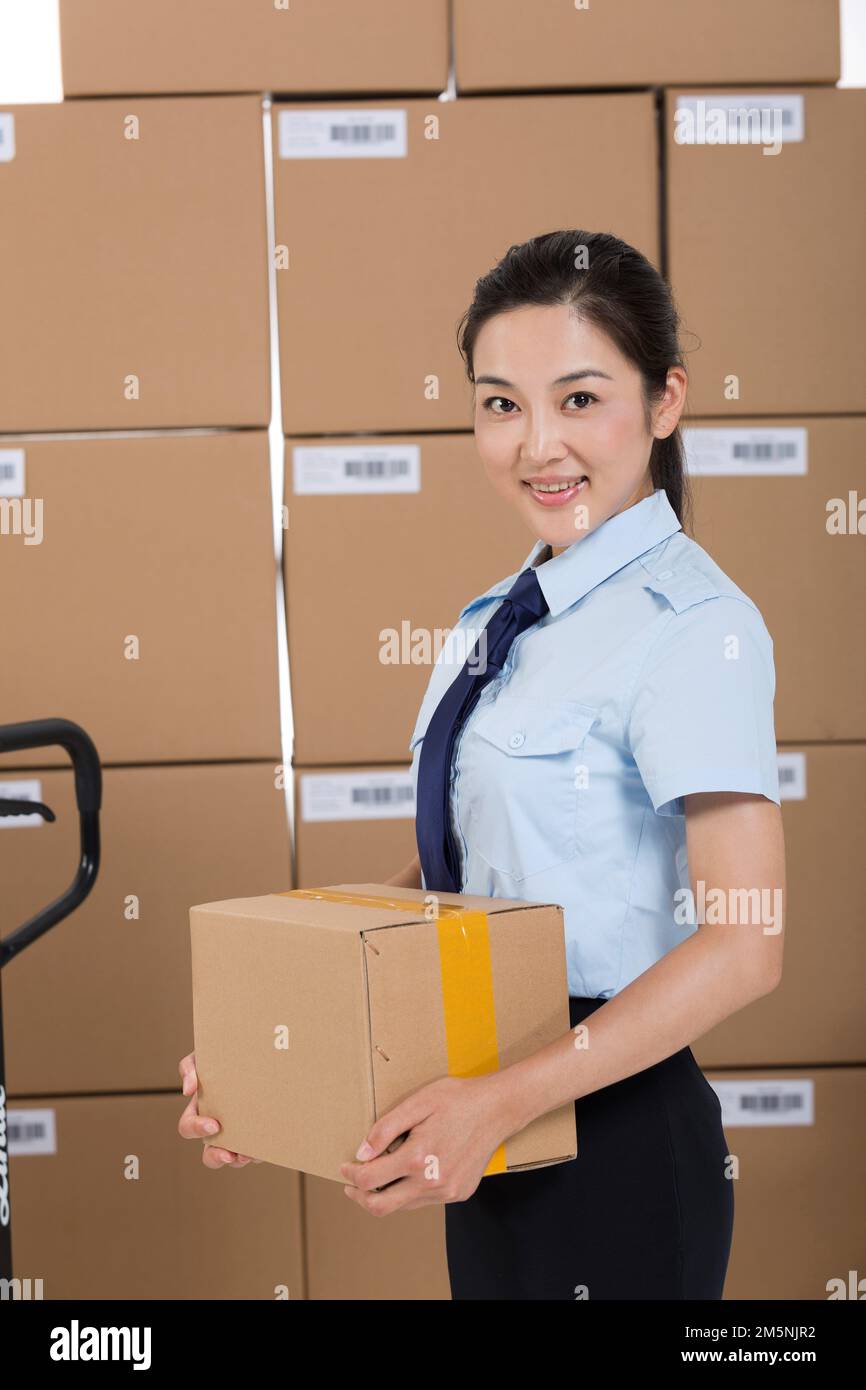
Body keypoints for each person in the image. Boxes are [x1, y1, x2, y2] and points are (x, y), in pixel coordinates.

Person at [178, 228, 786, 1301]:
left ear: (665, 402)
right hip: (495, 1126)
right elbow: (451, 888)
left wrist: (503, 1098)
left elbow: (745, 946)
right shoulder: (498, 624)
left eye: (580, 399)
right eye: (501, 404)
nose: (537, 445)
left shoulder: (692, 628)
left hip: (615, 1138)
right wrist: (272, 1054)